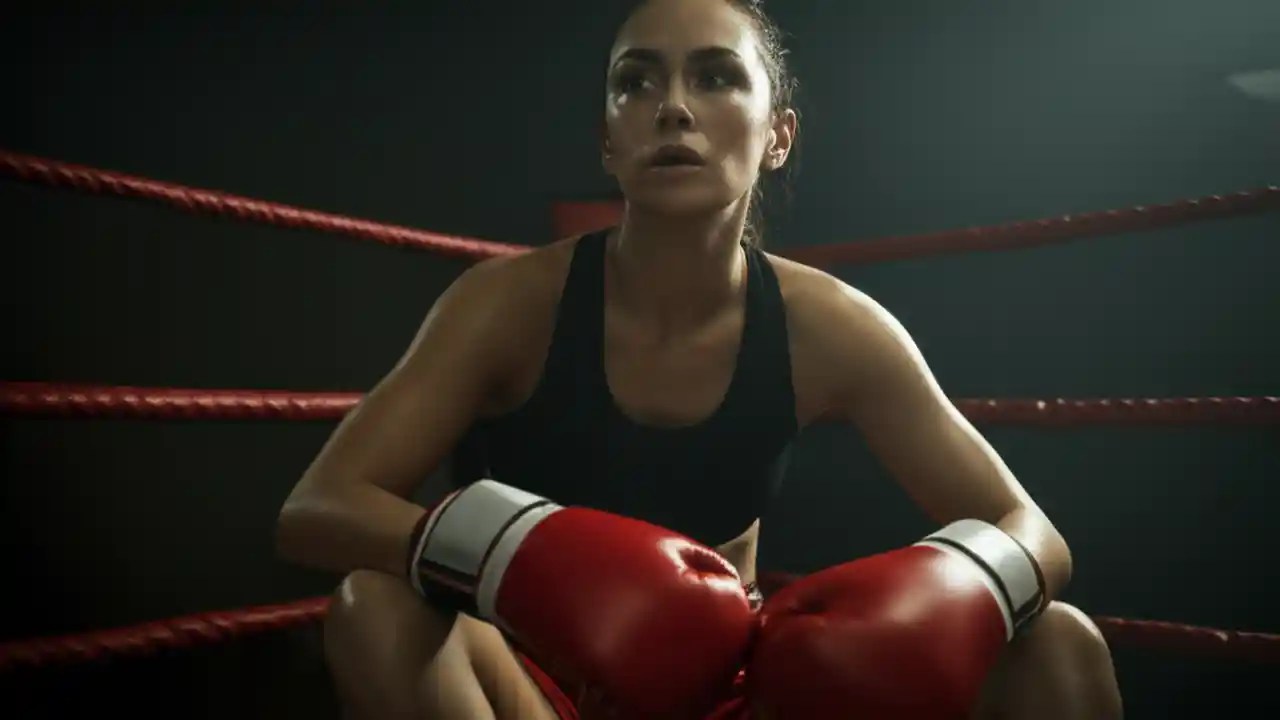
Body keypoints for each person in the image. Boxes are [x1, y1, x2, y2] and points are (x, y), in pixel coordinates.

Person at [274, 0, 1125, 718]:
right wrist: (524, 555)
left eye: (716, 76)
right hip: (537, 686)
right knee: (372, 607)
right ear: (608, 140)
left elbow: (1033, 534)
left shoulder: (824, 324)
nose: (672, 107)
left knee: (1059, 642)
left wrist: (942, 601)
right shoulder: (510, 304)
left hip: (735, 692)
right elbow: (317, 507)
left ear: (778, 135)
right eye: (635, 82)